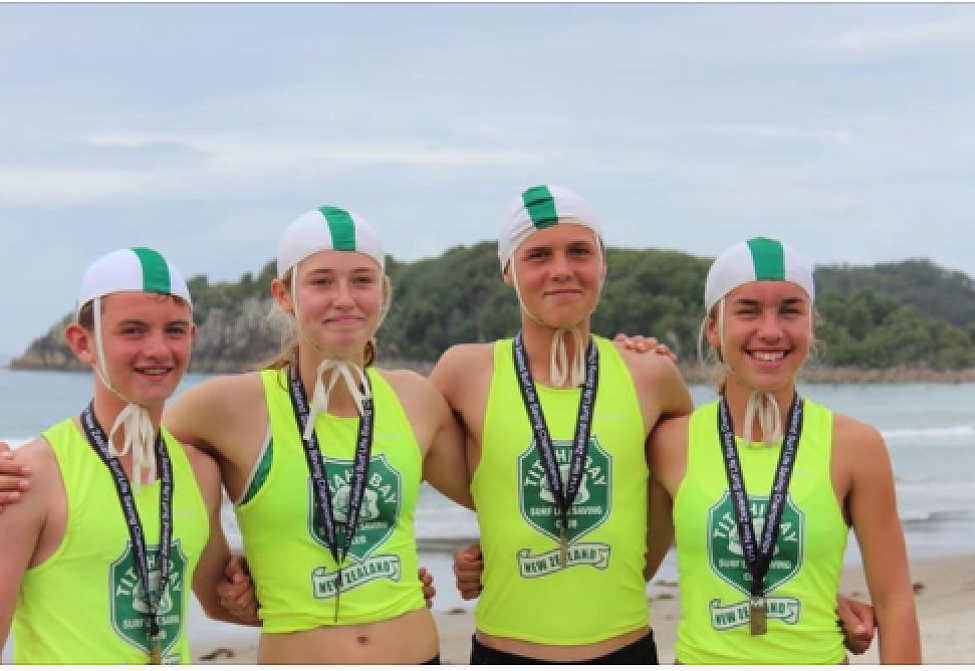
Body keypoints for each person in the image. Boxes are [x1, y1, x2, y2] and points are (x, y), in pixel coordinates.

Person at [156, 206, 472, 663]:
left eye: (362, 281)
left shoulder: (415, 400)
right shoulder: (233, 407)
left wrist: (485, 558)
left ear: (383, 293)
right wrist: (215, 574)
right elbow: (131, 462)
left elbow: (498, 494)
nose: (343, 298)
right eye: (321, 282)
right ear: (284, 295)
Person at [430, 184, 694, 663]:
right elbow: (389, 462)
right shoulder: (464, 373)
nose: (561, 270)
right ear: (508, 270)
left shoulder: (651, 375)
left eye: (579, 252)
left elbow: (685, 491)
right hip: (505, 652)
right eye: (538, 255)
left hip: (625, 648)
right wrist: (499, 538)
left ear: (602, 264)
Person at [645, 236, 920, 663]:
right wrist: (629, 357)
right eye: (748, 310)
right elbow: (622, 574)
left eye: (790, 311)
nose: (771, 331)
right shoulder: (668, 444)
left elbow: (895, 603)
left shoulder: (856, 447)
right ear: (714, 329)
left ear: (810, 326)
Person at [0, 247, 256, 664]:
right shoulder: (30, 477)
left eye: (174, 331)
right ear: (83, 343)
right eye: (133, 331)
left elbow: (222, 601)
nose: (157, 350)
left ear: (191, 338)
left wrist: (244, 585)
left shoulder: (199, 472)